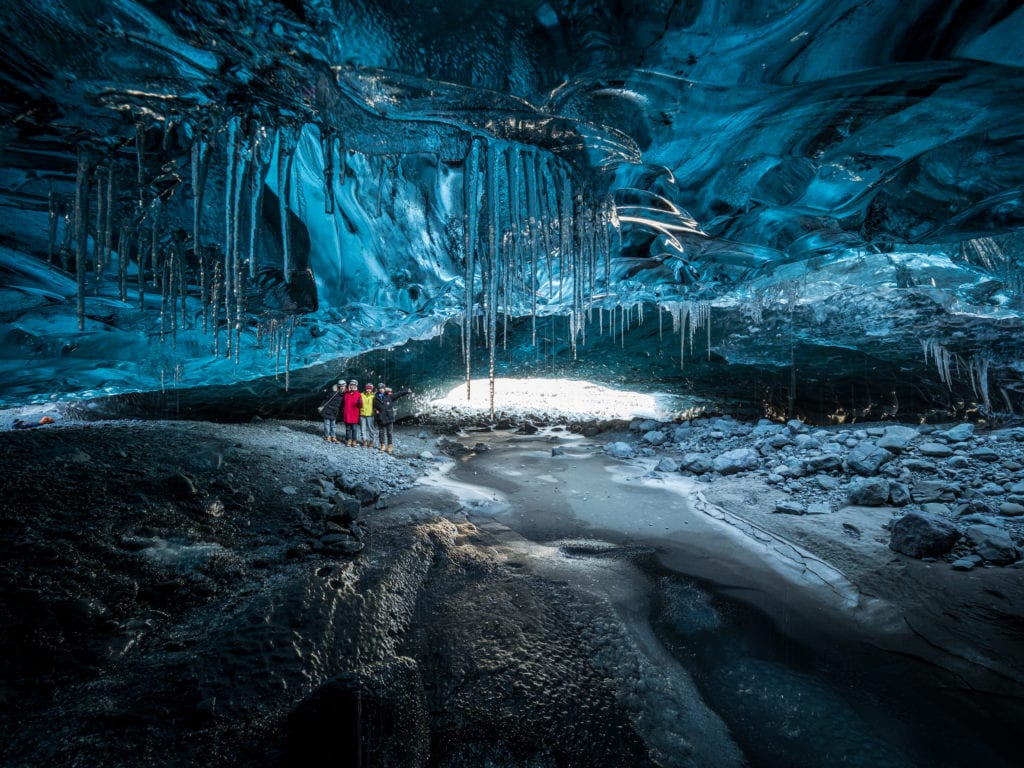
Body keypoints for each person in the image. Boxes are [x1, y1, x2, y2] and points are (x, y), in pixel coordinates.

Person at [373, 385, 412, 453]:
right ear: (378, 389)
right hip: (381, 418)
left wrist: (406, 392)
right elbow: (374, 406)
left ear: (384, 389)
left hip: (389, 417)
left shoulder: (389, 396)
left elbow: (398, 394)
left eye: (382, 388)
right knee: (381, 432)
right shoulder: (375, 398)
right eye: (380, 388)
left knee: (389, 433)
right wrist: (376, 410)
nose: (381, 390)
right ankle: (382, 445)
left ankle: (390, 446)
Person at [342, 379, 362, 447]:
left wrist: (360, 403)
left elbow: (360, 406)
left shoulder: (359, 394)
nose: (352, 386)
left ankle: (354, 441)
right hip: (347, 414)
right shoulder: (346, 394)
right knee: (347, 429)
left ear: (356, 386)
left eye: (354, 385)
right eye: (351, 385)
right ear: (349, 385)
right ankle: (349, 440)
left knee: (354, 429)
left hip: (354, 414)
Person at [358, 383, 377, 448]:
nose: (368, 390)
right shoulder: (361, 395)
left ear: (371, 389)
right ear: (365, 389)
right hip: (362, 414)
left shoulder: (374, 396)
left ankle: (371, 441)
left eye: (370, 389)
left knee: (371, 429)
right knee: (362, 429)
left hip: (370, 414)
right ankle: (364, 441)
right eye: (367, 389)